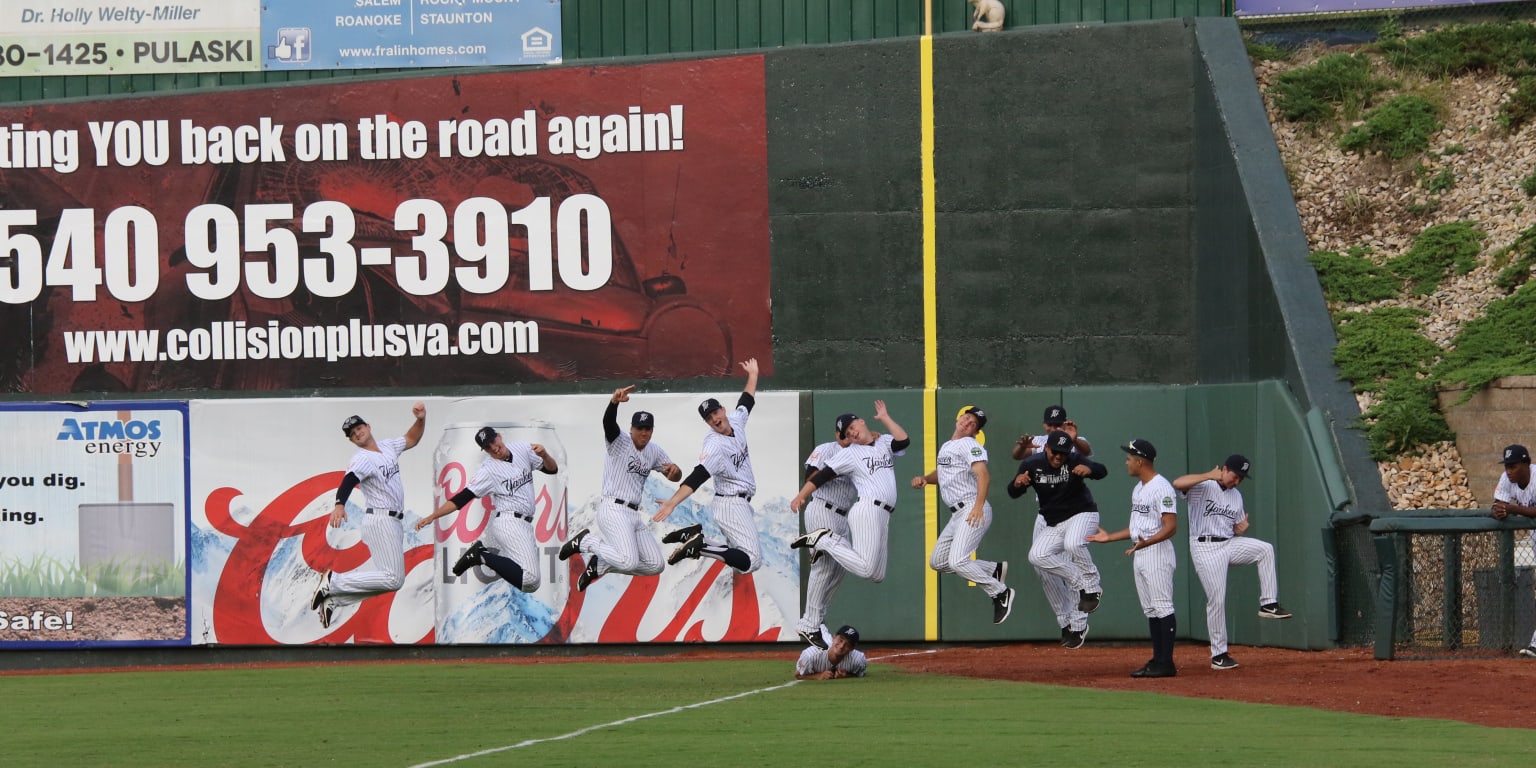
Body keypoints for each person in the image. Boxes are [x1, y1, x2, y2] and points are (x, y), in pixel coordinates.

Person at [310, 403, 426, 629]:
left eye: (359, 428)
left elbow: (412, 438)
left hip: (391, 521)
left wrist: (421, 419)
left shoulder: (388, 446)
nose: (357, 433)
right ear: (352, 441)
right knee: (393, 579)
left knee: (392, 581)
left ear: (368, 427)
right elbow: (349, 479)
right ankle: (334, 582)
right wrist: (339, 504)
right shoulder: (361, 458)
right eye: (353, 434)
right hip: (381, 519)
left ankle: (335, 598)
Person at [1172, 454, 1293, 671]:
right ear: (1225, 469)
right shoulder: (1204, 485)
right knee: (1217, 600)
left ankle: (1268, 603)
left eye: (1241, 478)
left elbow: (1235, 525)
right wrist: (1208, 475)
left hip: (1228, 543)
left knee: (1265, 549)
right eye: (1235, 475)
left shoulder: (1236, 495)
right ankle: (1219, 655)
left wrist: (1240, 529)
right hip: (1205, 547)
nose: (1237, 481)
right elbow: (1177, 483)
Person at [559, 386, 682, 592]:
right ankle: (586, 541)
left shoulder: (654, 450)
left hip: (633, 514)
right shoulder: (620, 441)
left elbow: (674, 474)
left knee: (655, 565)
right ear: (631, 429)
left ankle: (600, 565)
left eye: (647, 429)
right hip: (613, 509)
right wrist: (614, 403)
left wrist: (675, 471)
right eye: (639, 428)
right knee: (628, 561)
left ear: (651, 430)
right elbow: (608, 423)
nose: (643, 432)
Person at [413, 426, 557, 595]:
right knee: (531, 579)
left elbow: (552, 469)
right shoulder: (488, 470)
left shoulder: (522, 449)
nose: (494, 448)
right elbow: (462, 498)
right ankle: (481, 555)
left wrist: (545, 455)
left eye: (493, 441)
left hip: (524, 524)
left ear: (500, 436)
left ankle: (480, 555)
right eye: (488, 447)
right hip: (509, 522)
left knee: (531, 583)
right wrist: (433, 516)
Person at [653, 359, 762, 573]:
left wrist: (753, 375)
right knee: (751, 561)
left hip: (738, 503)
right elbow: (698, 476)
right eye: (709, 418)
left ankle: (692, 536)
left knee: (737, 557)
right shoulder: (715, 446)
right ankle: (700, 545)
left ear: (723, 410)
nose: (714, 419)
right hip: (731, 505)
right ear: (707, 423)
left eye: (715, 413)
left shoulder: (735, 421)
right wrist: (673, 502)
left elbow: (746, 402)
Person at [790, 402, 910, 585]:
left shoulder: (884, 441)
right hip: (867, 508)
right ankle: (824, 539)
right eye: (847, 433)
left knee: (877, 575)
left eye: (852, 427)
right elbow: (821, 476)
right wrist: (801, 496)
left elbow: (903, 441)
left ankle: (827, 541)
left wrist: (885, 417)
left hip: (884, 513)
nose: (852, 432)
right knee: (865, 568)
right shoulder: (850, 453)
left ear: (862, 422)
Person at [1087, 439, 1179, 677]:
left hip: (1156, 552)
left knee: (1162, 606)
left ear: (1140, 461)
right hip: (1141, 550)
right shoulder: (1139, 488)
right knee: (1150, 609)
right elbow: (1136, 528)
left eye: (1129, 459)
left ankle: (1166, 663)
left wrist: (1146, 543)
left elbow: (1170, 527)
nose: (1126, 462)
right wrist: (1110, 537)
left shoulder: (1162, 487)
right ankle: (1157, 659)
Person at [913, 406, 1013, 625]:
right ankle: (992, 569)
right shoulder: (948, 446)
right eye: (967, 418)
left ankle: (1000, 592)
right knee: (938, 562)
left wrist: (978, 506)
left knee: (958, 561)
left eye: (973, 424)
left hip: (971, 507)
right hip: (957, 514)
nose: (968, 422)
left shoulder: (970, 444)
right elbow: (943, 474)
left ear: (975, 432)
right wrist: (925, 478)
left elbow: (983, 476)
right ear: (959, 418)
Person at [1008, 430, 1107, 649]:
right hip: (1055, 521)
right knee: (1036, 556)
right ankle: (1081, 584)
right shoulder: (1032, 464)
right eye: (1055, 452)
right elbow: (1012, 492)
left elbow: (1102, 470)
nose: (1059, 457)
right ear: (1046, 448)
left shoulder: (1073, 459)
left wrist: (1089, 469)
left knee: (1073, 544)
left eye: (1063, 453)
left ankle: (1092, 585)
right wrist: (1017, 484)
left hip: (1082, 513)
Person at [792, 418, 858, 649]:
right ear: (837, 433)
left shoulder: (860, 452)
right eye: (843, 433)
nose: (846, 437)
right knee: (823, 566)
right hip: (822, 508)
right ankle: (809, 623)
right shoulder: (825, 449)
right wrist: (834, 470)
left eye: (850, 433)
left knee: (841, 568)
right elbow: (810, 477)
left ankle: (816, 621)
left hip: (842, 517)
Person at [1489, 444, 1536, 658]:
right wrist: (1498, 511)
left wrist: (1512, 509)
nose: (1509, 471)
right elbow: (1498, 504)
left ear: (1526, 463)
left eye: (1513, 466)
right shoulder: (1507, 479)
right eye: (1507, 466)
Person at [794, 624, 868, 680]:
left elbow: (860, 673)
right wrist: (818, 676)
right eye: (840, 640)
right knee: (821, 629)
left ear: (852, 649)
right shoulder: (810, 655)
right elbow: (798, 674)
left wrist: (847, 675)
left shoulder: (858, 660)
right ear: (834, 637)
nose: (842, 646)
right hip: (822, 636)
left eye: (847, 645)